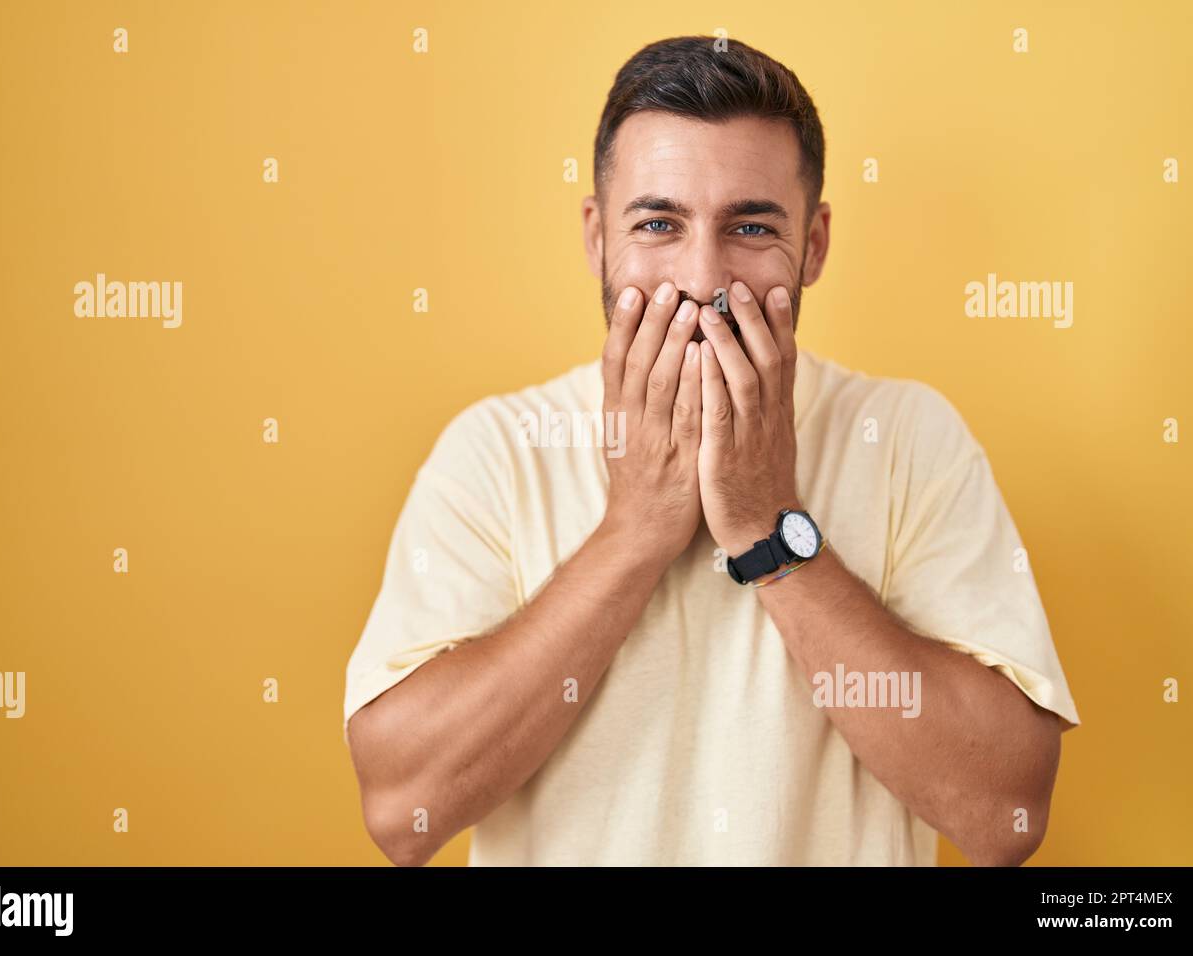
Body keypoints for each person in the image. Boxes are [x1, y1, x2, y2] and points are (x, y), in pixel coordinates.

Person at [342, 35, 1080, 866]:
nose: (702, 278)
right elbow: (402, 812)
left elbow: (1006, 815)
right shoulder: (498, 450)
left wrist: (771, 528)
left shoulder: (909, 437)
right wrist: (634, 531)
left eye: (751, 226)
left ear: (815, 246)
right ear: (596, 237)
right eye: (658, 223)